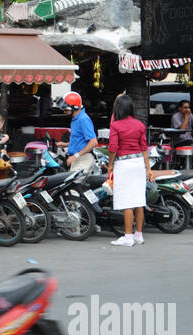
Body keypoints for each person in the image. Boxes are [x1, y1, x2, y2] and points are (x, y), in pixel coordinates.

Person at [106, 94, 152, 247]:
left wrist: (110, 164)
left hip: (124, 164)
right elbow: (144, 147)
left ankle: (127, 236)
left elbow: (113, 147)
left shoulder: (116, 125)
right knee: (139, 200)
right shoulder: (139, 125)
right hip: (138, 163)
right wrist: (148, 168)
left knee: (127, 201)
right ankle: (138, 234)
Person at [63, 92, 98, 172]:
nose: (64, 111)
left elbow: (93, 142)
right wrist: (65, 144)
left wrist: (75, 156)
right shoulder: (76, 119)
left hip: (83, 159)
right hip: (78, 158)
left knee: (75, 184)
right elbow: (81, 140)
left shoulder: (83, 119)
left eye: (66, 109)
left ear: (74, 108)